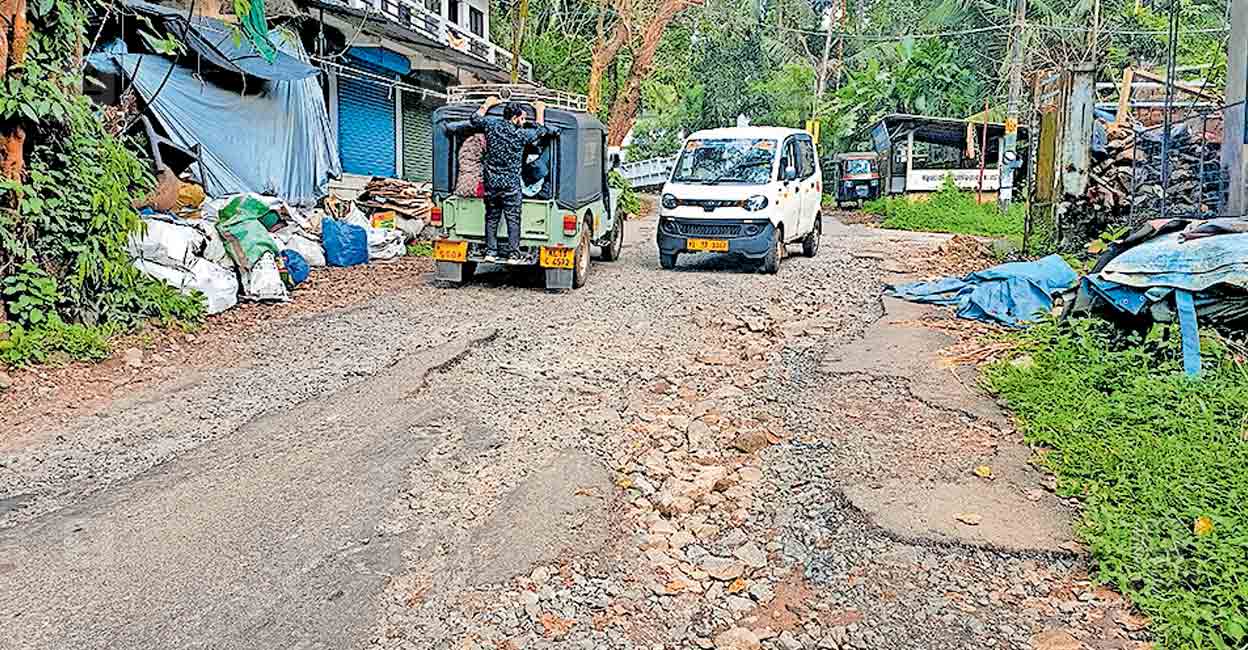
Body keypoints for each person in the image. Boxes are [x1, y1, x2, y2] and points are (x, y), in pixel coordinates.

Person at [470, 96, 556, 263]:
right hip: (511, 185)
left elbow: (474, 119)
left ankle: (490, 252)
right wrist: (539, 110)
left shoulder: (492, 126)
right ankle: (513, 254)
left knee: (491, 218)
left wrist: (488, 103)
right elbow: (541, 130)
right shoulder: (520, 135)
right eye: (522, 118)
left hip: (492, 184)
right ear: (515, 118)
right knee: (513, 219)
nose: (523, 121)